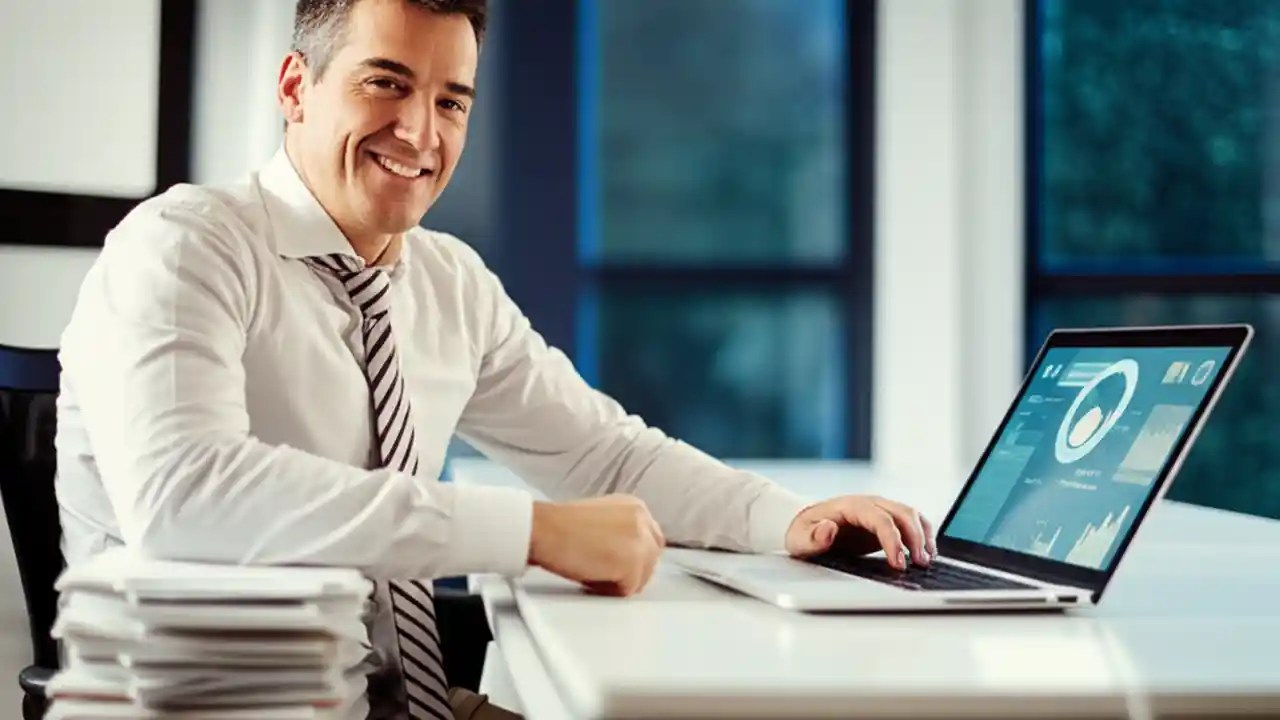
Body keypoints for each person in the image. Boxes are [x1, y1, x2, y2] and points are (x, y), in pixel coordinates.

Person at [54, 0, 938, 718]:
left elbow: (604, 454)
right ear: (295, 85)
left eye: (450, 101)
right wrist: (536, 533)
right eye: (384, 84)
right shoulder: (185, 245)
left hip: (390, 699)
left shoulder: (448, 281)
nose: (419, 131)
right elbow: (183, 495)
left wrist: (787, 519)